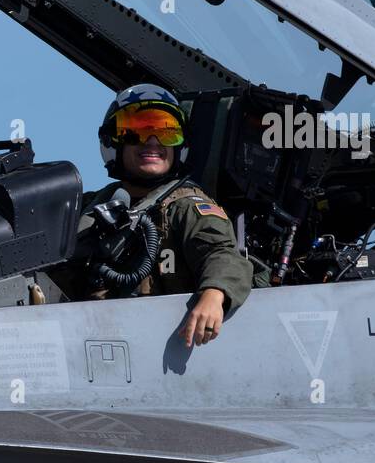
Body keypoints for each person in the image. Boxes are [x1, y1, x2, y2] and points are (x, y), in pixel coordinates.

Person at [50, 83, 252, 347]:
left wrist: (214, 294)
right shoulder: (91, 206)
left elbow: (223, 254)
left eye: (167, 130)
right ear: (113, 141)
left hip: (162, 351)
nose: (153, 140)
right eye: (136, 129)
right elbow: (35, 225)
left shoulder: (186, 206)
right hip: (89, 343)